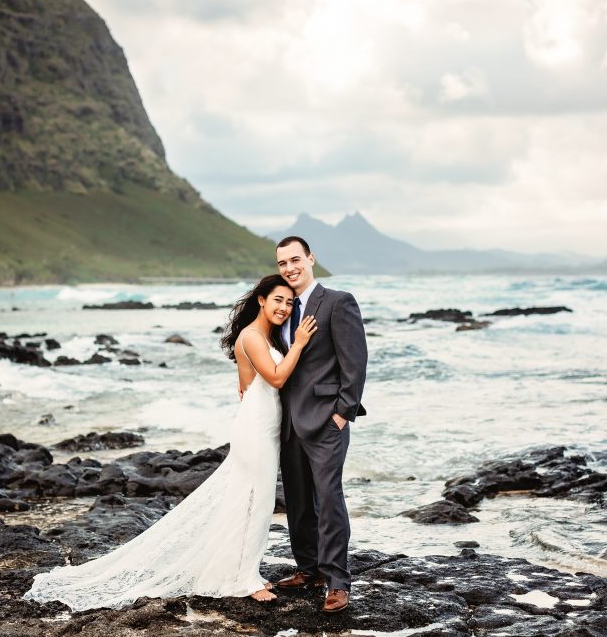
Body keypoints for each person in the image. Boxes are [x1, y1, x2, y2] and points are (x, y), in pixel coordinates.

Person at [23, 275, 317, 609]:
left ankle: (240, 570)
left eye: (290, 302)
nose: (285, 307)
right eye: (278, 300)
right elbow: (277, 378)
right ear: (262, 300)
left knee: (253, 502)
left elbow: (245, 387)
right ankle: (241, 580)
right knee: (254, 502)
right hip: (256, 429)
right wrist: (300, 343)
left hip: (262, 425)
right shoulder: (252, 336)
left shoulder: (265, 336)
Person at [273, 236, 368, 614]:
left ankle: (337, 580)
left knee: (329, 500)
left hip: (328, 420)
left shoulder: (337, 302)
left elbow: (355, 362)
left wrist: (343, 412)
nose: (289, 268)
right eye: (282, 263)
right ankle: (308, 569)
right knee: (297, 500)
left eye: (295, 260)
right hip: (289, 422)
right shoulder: (280, 307)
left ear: (310, 259)